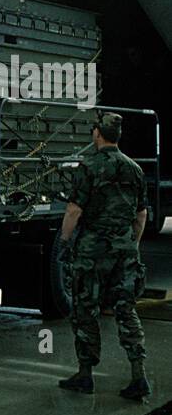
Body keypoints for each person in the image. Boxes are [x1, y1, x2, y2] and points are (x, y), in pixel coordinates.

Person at [58, 110, 150, 399]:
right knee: (126, 310)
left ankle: (86, 374)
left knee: (85, 310)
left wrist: (64, 240)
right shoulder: (134, 169)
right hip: (124, 250)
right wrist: (131, 242)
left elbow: (74, 210)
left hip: (92, 252)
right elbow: (142, 213)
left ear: (97, 133)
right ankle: (139, 377)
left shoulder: (89, 166)